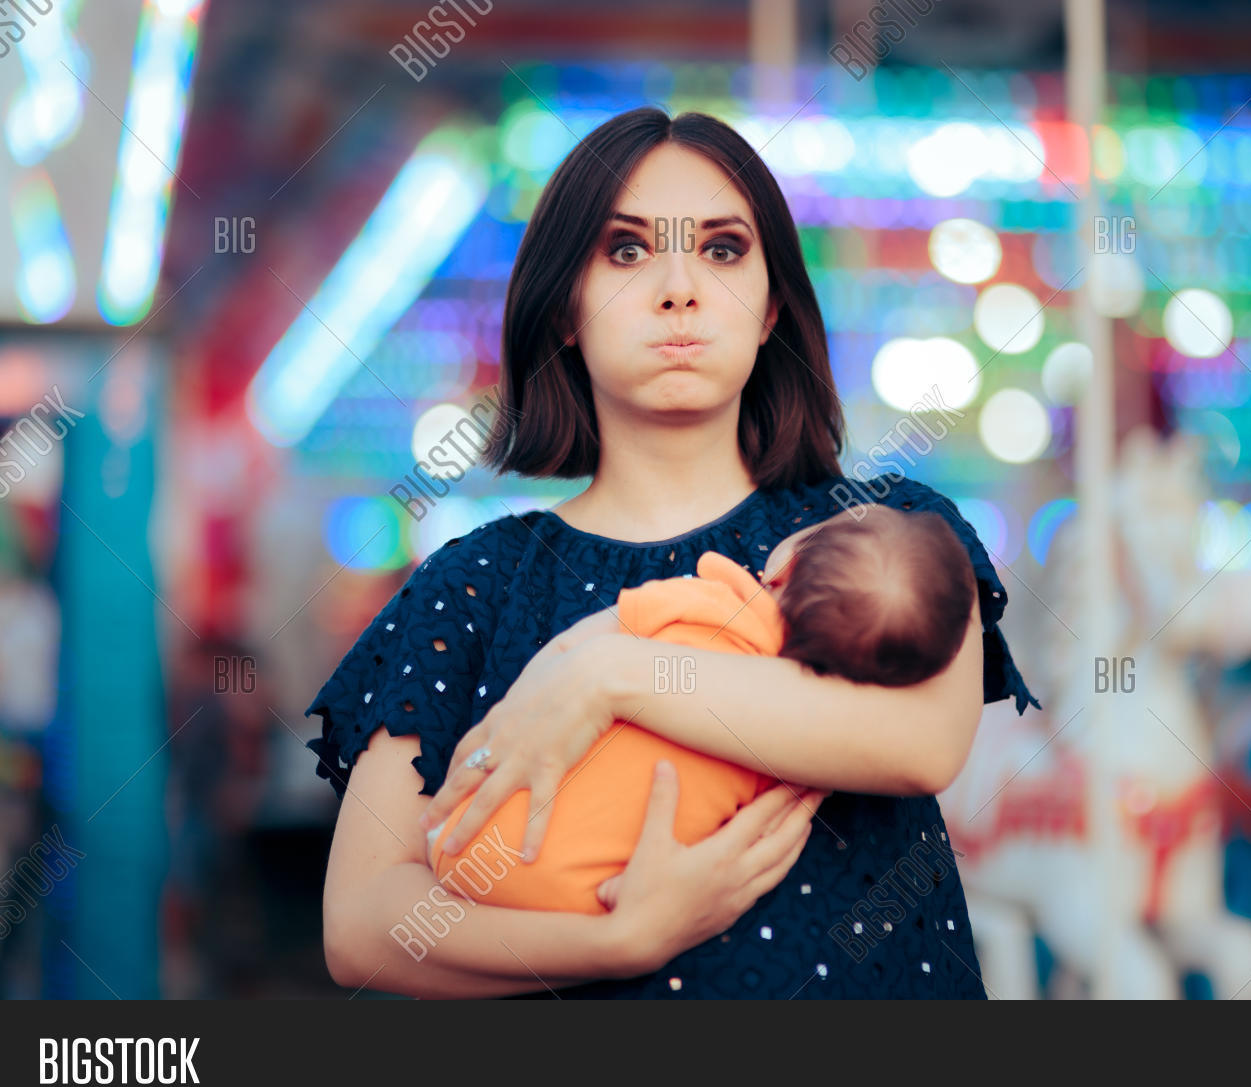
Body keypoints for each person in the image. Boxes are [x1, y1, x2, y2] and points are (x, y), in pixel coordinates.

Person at [306, 106, 1038, 999]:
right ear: (565, 308)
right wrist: (621, 940)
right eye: (626, 251)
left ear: (772, 307)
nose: (679, 288)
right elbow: (364, 923)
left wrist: (607, 676)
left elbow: (919, 740)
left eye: (723, 250)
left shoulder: (880, 530)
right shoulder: (473, 585)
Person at [425, 505, 982, 914]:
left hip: (466, 846)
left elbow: (577, 652)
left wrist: (514, 715)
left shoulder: (720, 600)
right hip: (579, 897)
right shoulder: (790, 749)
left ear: (780, 571)